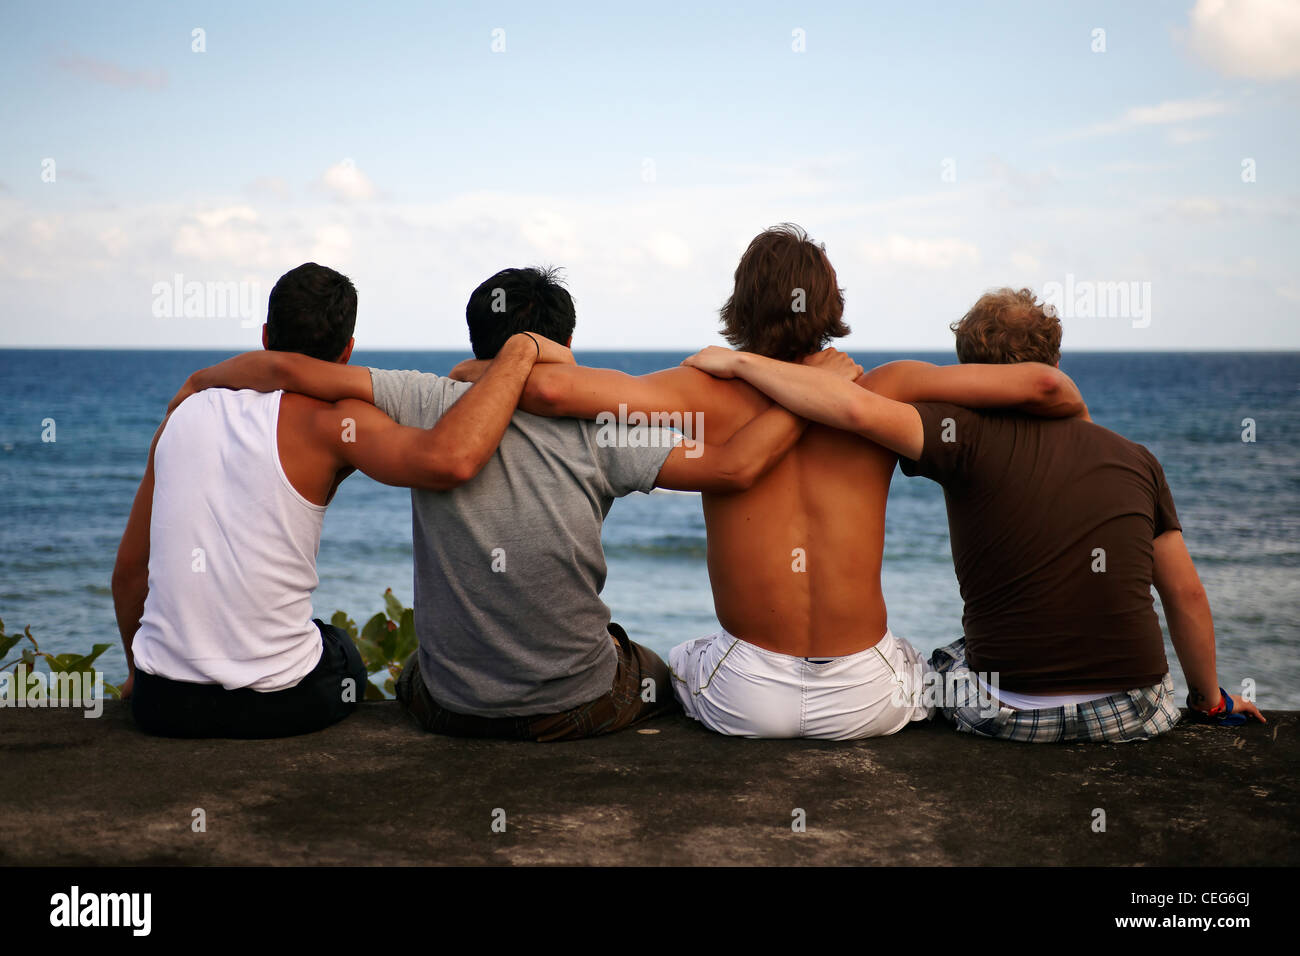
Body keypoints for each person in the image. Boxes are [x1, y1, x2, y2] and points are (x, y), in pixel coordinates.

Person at [448, 226, 1088, 739]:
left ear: (741, 306)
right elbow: (1039, 384)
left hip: (747, 695)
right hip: (868, 696)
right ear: (831, 307)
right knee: (936, 665)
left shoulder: (702, 390)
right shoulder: (881, 387)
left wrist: (482, 365)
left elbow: (554, 388)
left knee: (678, 660)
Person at [172, 266, 820, 741]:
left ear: (477, 340)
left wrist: (203, 379)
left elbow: (292, 372)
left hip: (450, 707)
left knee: (410, 672)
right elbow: (736, 466)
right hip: (575, 706)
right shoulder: (603, 427)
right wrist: (812, 392)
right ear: (564, 344)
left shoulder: (419, 397)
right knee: (658, 672)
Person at [681, 286, 1267, 742]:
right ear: (1055, 357)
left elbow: (854, 412)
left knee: (941, 663)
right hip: (1134, 711)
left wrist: (744, 366)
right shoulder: (1137, 459)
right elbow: (1186, 594)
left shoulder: (955, 437)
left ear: (967, 371)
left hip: (1007, 714)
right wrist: (1210, 702)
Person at [112, 262, 572, 738]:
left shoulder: (182, 415)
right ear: (348, 350)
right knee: (342, 649)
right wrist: (510, 363)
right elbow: (449, 459)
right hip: (278, 706)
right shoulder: (334, 422)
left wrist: (135, 674)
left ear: (266, 335)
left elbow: (129, 571)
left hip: (161, 704)